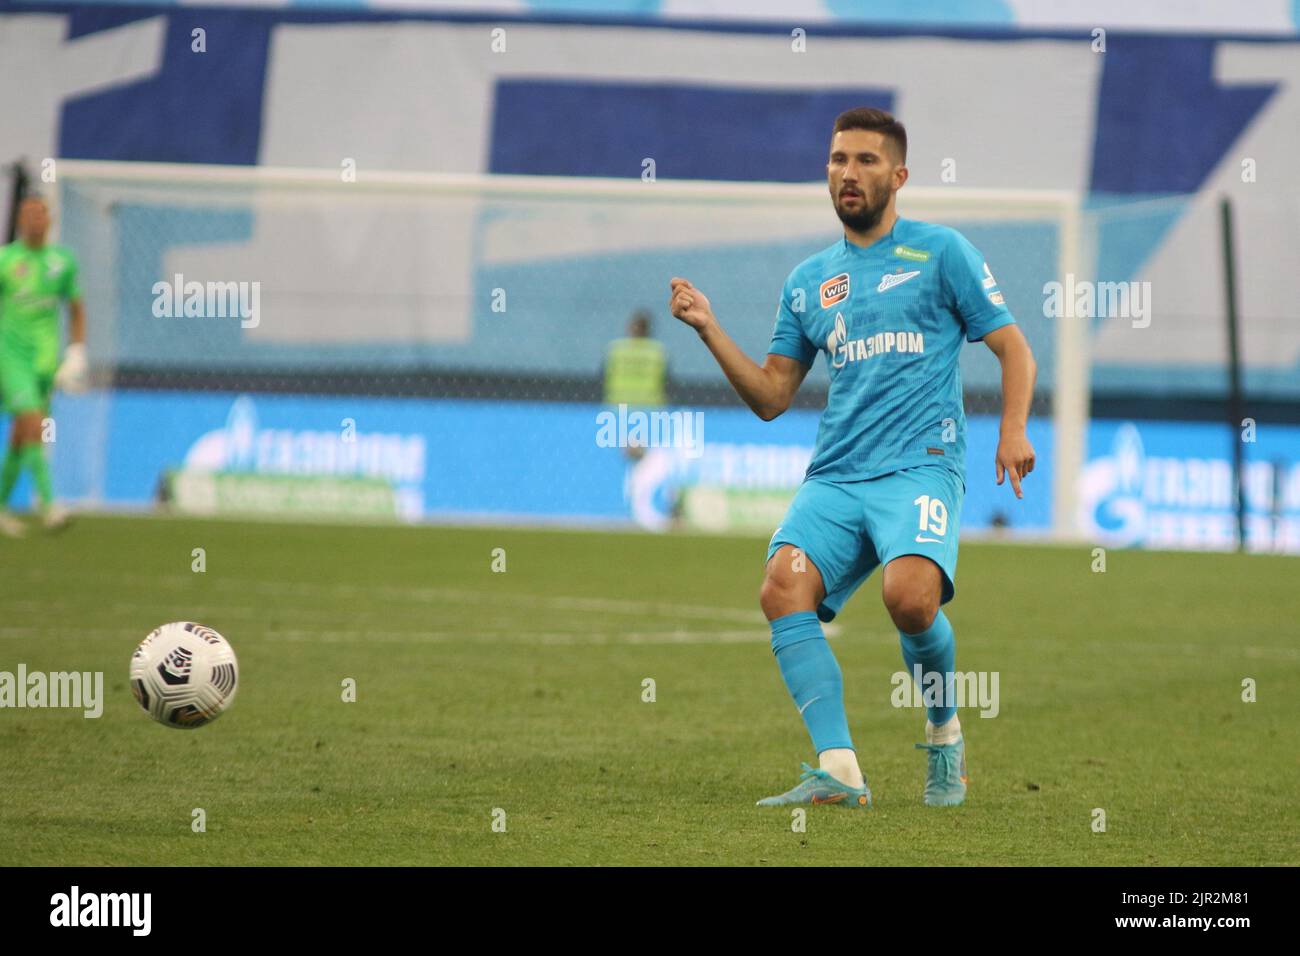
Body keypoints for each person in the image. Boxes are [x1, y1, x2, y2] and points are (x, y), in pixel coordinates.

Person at [669, 107, 1036, 808]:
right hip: (838, 476)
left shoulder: (942, 253)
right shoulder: (809, 281)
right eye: (839, 160)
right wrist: (710, 330)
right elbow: (774, 394)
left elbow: (1013, 347)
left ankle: (942, 729)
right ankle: (839, 772)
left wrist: (1012, 429)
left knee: (910, 600)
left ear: (898, 176)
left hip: (921, 466)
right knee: (781, 587)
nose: (849, 173)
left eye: (866, 161)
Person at [0, 195, 87, 535]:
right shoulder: (6, 260)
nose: (36, 220)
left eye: (41, 214)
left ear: (49, 219)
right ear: (19, 220)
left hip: (44, 363)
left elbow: (77, 308)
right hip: (10, 358)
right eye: (29, 214)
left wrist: (76, 351)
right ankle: (49, 505)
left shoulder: (62, 262)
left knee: (22, 437)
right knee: (33, 425)